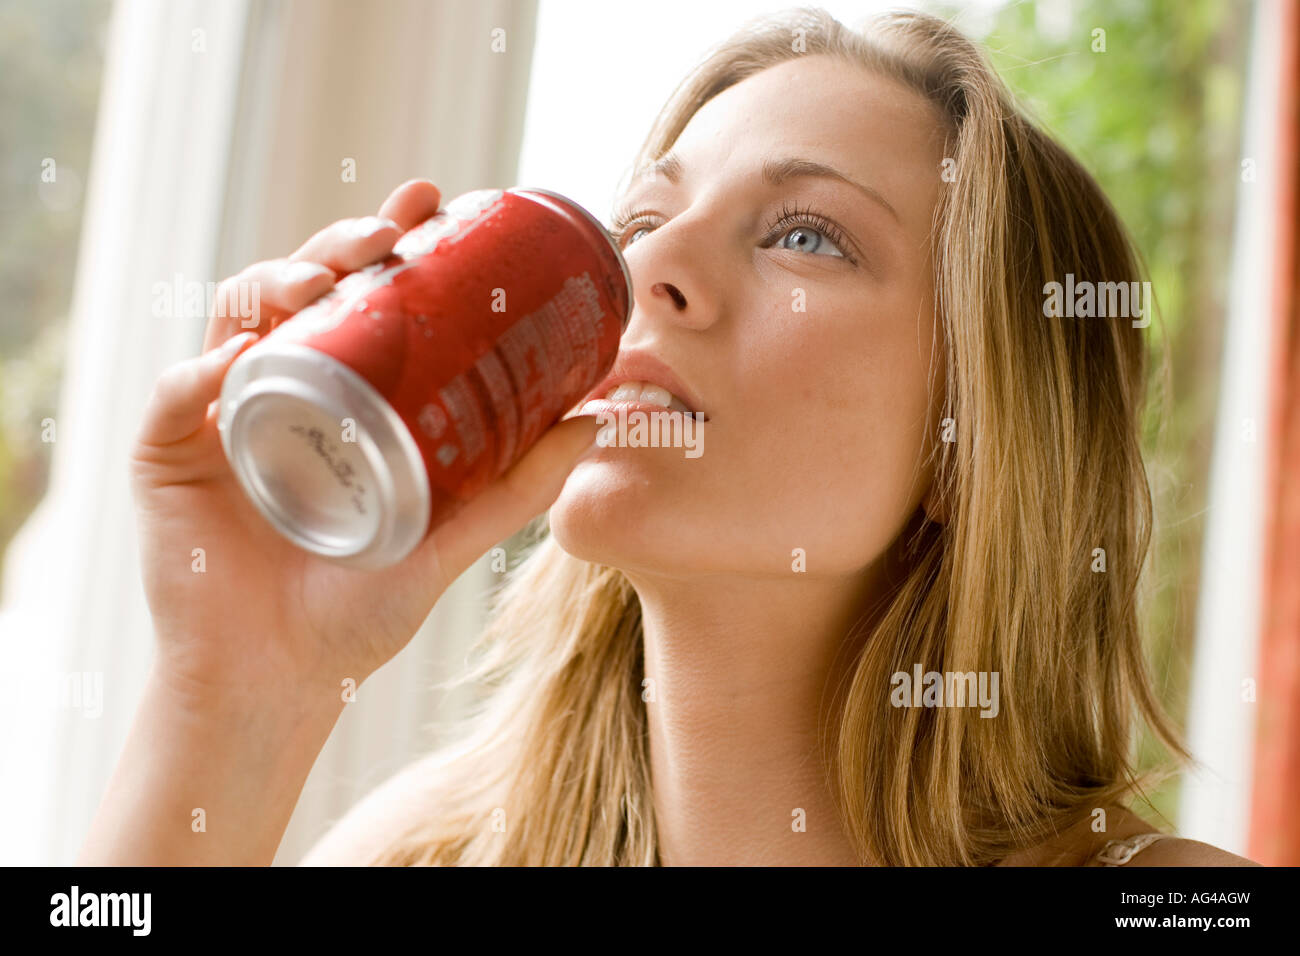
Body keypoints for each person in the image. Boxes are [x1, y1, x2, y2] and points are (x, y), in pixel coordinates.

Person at [79, 7, 1258, 866]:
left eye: (805, 236)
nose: (652, 270)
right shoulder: (425, 852)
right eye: (643, 217)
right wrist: (233, 691)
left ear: (971, 434)